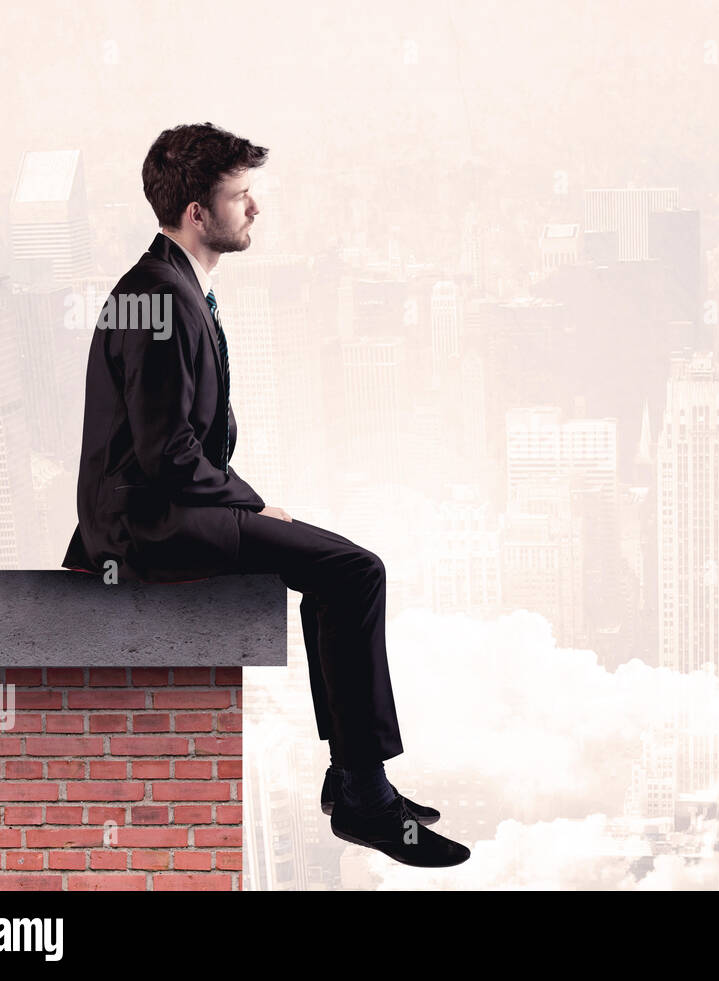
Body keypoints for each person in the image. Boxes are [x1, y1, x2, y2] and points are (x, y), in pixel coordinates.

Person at [61, 121, 469, 869]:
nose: (255, 210)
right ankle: (362, 796)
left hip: (162, 509)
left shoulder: (169, 284)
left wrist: (242, 503)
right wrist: (248, 506)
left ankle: (358, 779)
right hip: (147, 526)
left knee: (335, 570)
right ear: (195, 213)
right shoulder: (158, 299)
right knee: (353, 569)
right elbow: (166, 454)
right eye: (240, 197)